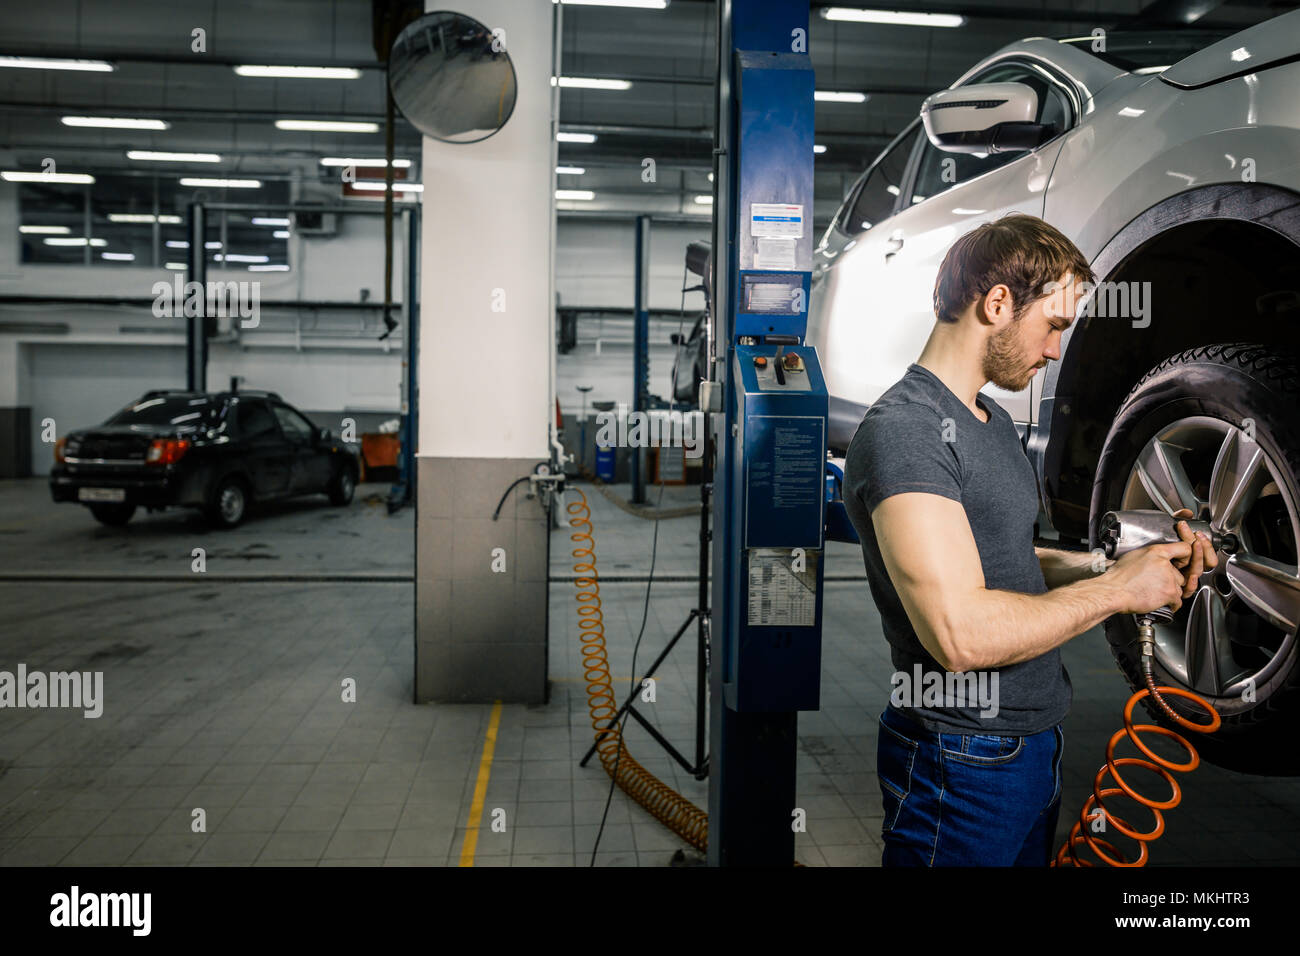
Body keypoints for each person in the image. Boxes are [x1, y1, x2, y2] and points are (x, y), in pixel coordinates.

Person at [841, 213, 1218, 866]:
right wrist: (1115, 595)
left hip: (1026, 747)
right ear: (996, 304)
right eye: (1053, 326)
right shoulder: (909, 434)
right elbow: (961, 636)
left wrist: (1111, 565)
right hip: (961, 760)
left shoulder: (983, 420)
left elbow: (1006, 562)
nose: (1053, 350)